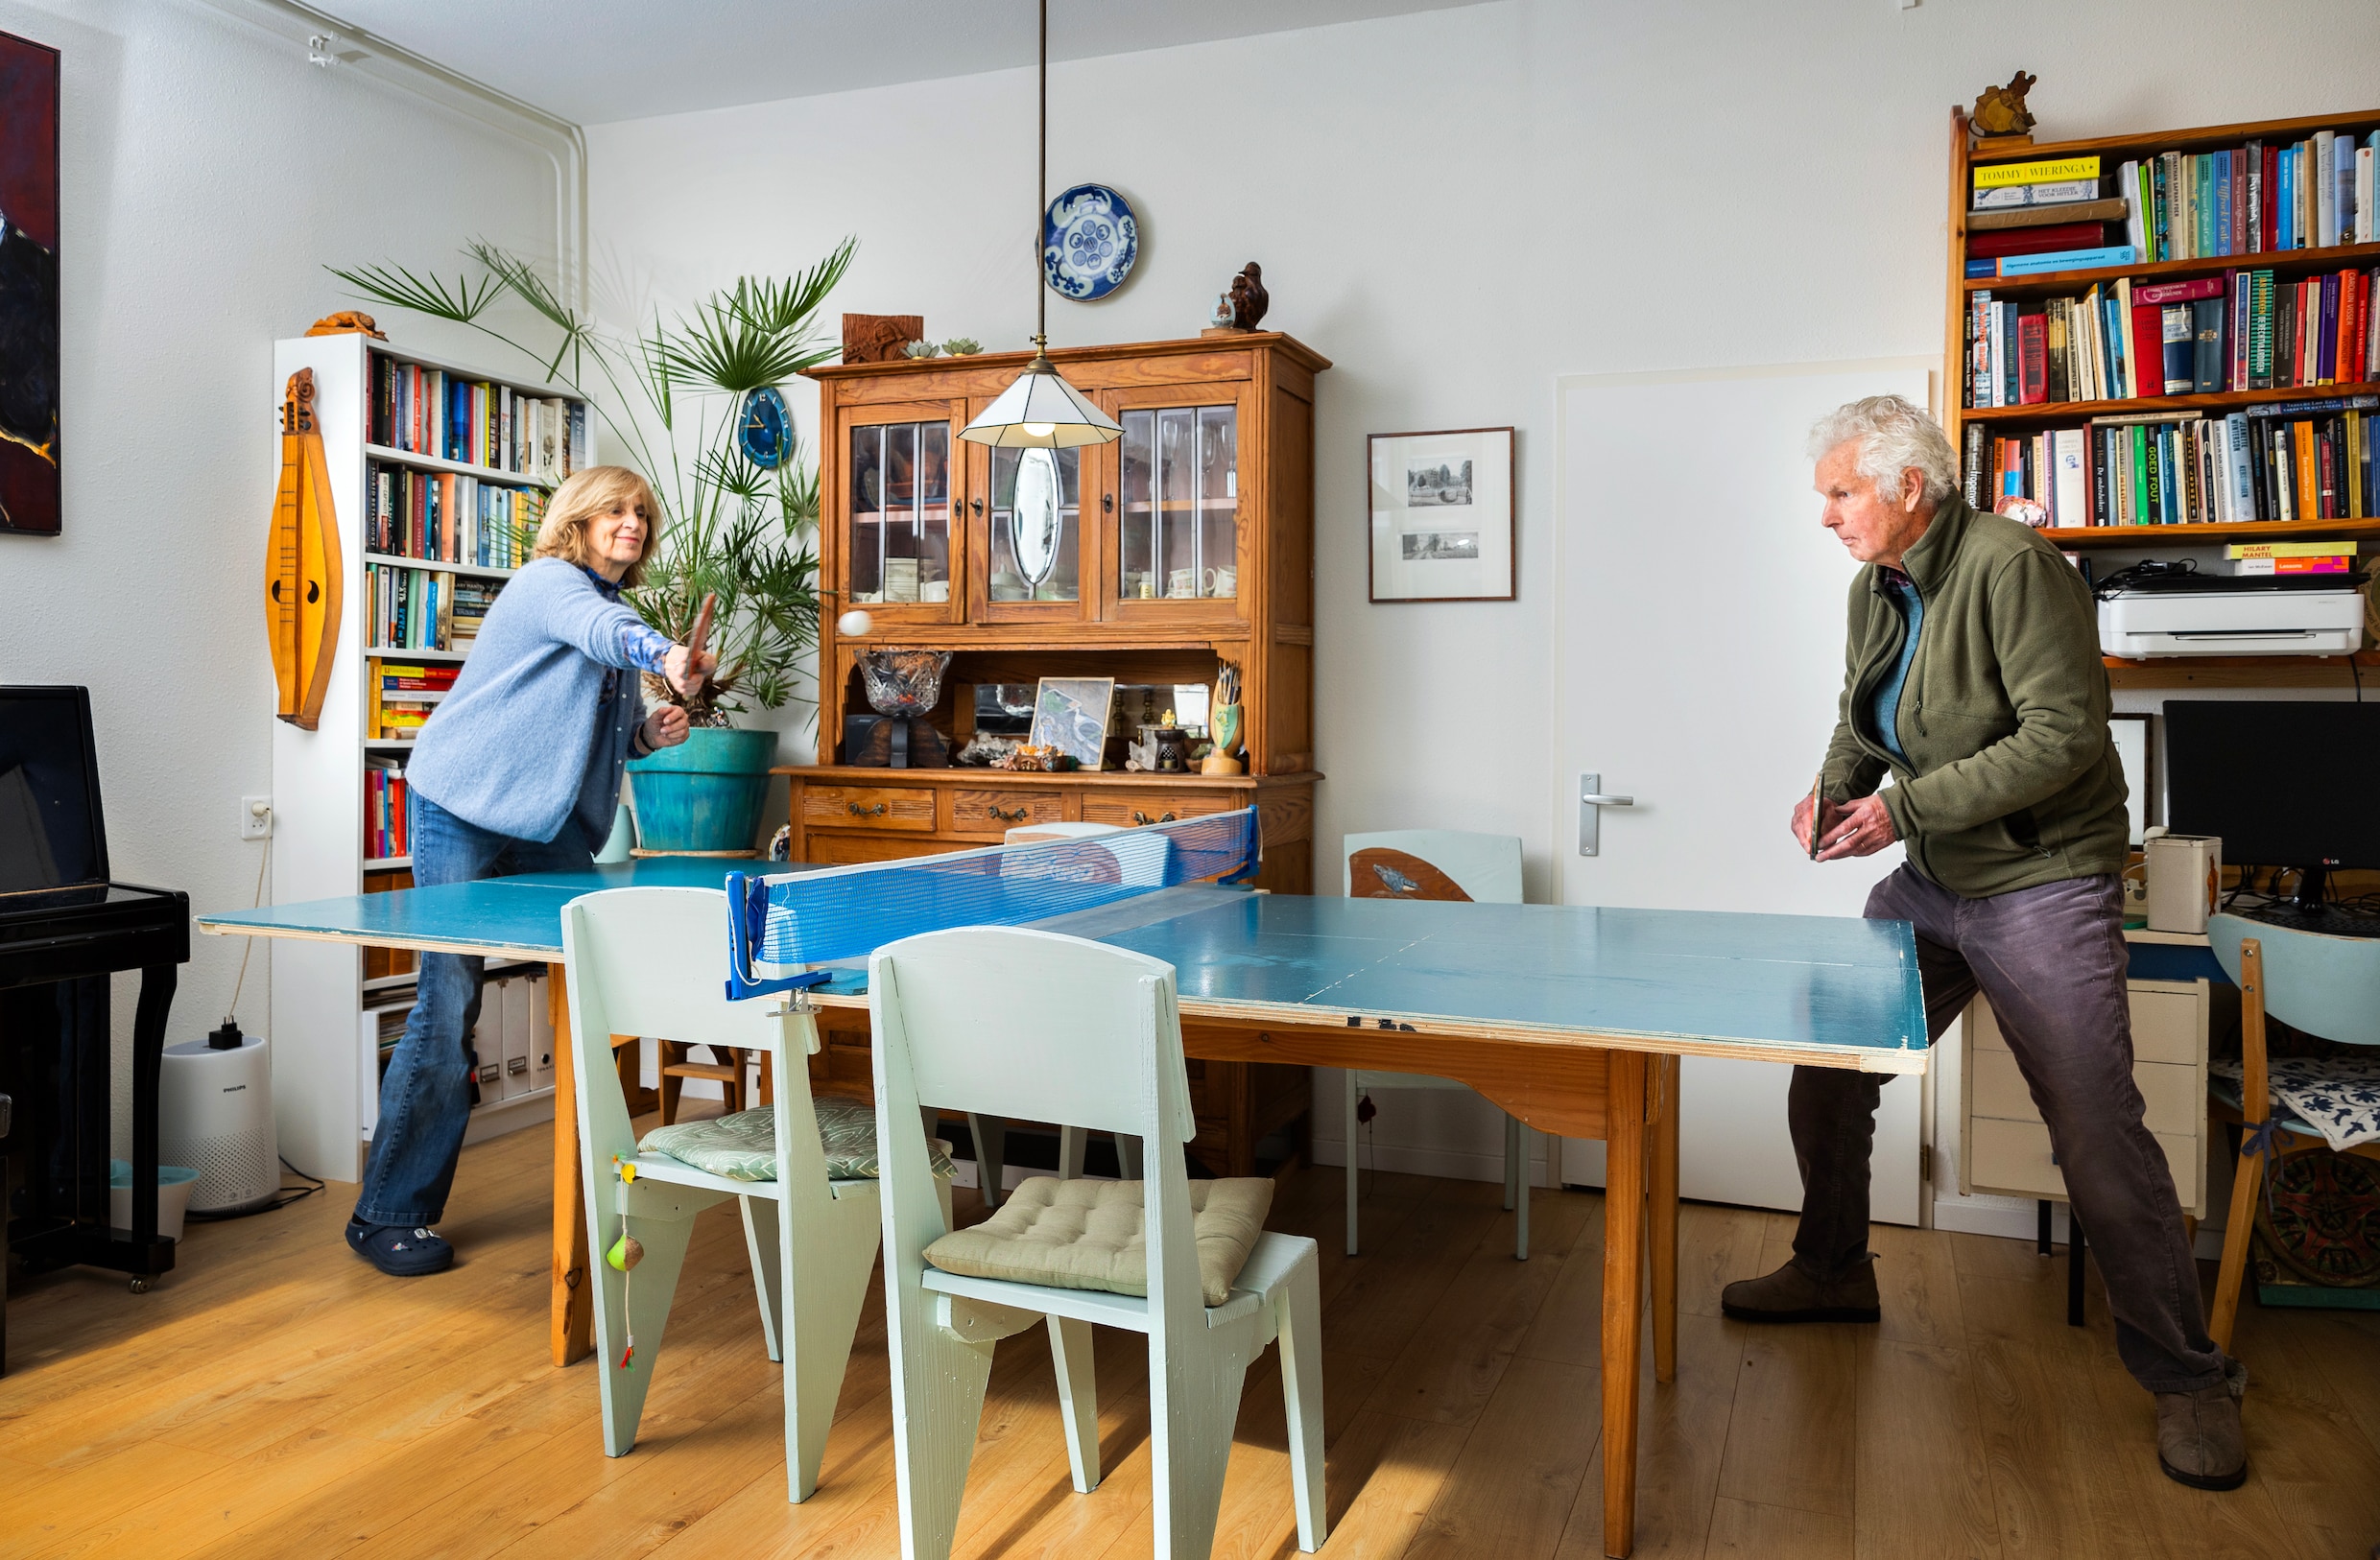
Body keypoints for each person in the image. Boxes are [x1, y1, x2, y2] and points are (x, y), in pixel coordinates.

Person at [1719, 395, 2246, 1490]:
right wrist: (1830, 796)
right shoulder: (1875, 586)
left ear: (1908, 487)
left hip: (2041, 883)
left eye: (1838, 491)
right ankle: (1829, 1273)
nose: (1824, 515)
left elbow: (2061, 737)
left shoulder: (2014, 566)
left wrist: (1899, 814)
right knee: (1830, 1065)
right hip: (1938, 883)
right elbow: (1857, 719)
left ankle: (2190, 1379)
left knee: (2095, 1133)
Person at [346, 465, 713, 1278]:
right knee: (448, 1007)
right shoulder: (553, 585)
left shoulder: (612, 612)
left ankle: (610, 1184)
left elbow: (578, 739)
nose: (633, 523)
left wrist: (648, 733)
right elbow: (602, 634)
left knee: (594, 983)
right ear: (577, 521)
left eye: (642, 513)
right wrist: (666, 654)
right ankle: (385, 1215)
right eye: (615, 509)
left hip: (541, 822)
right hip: (465, 806)